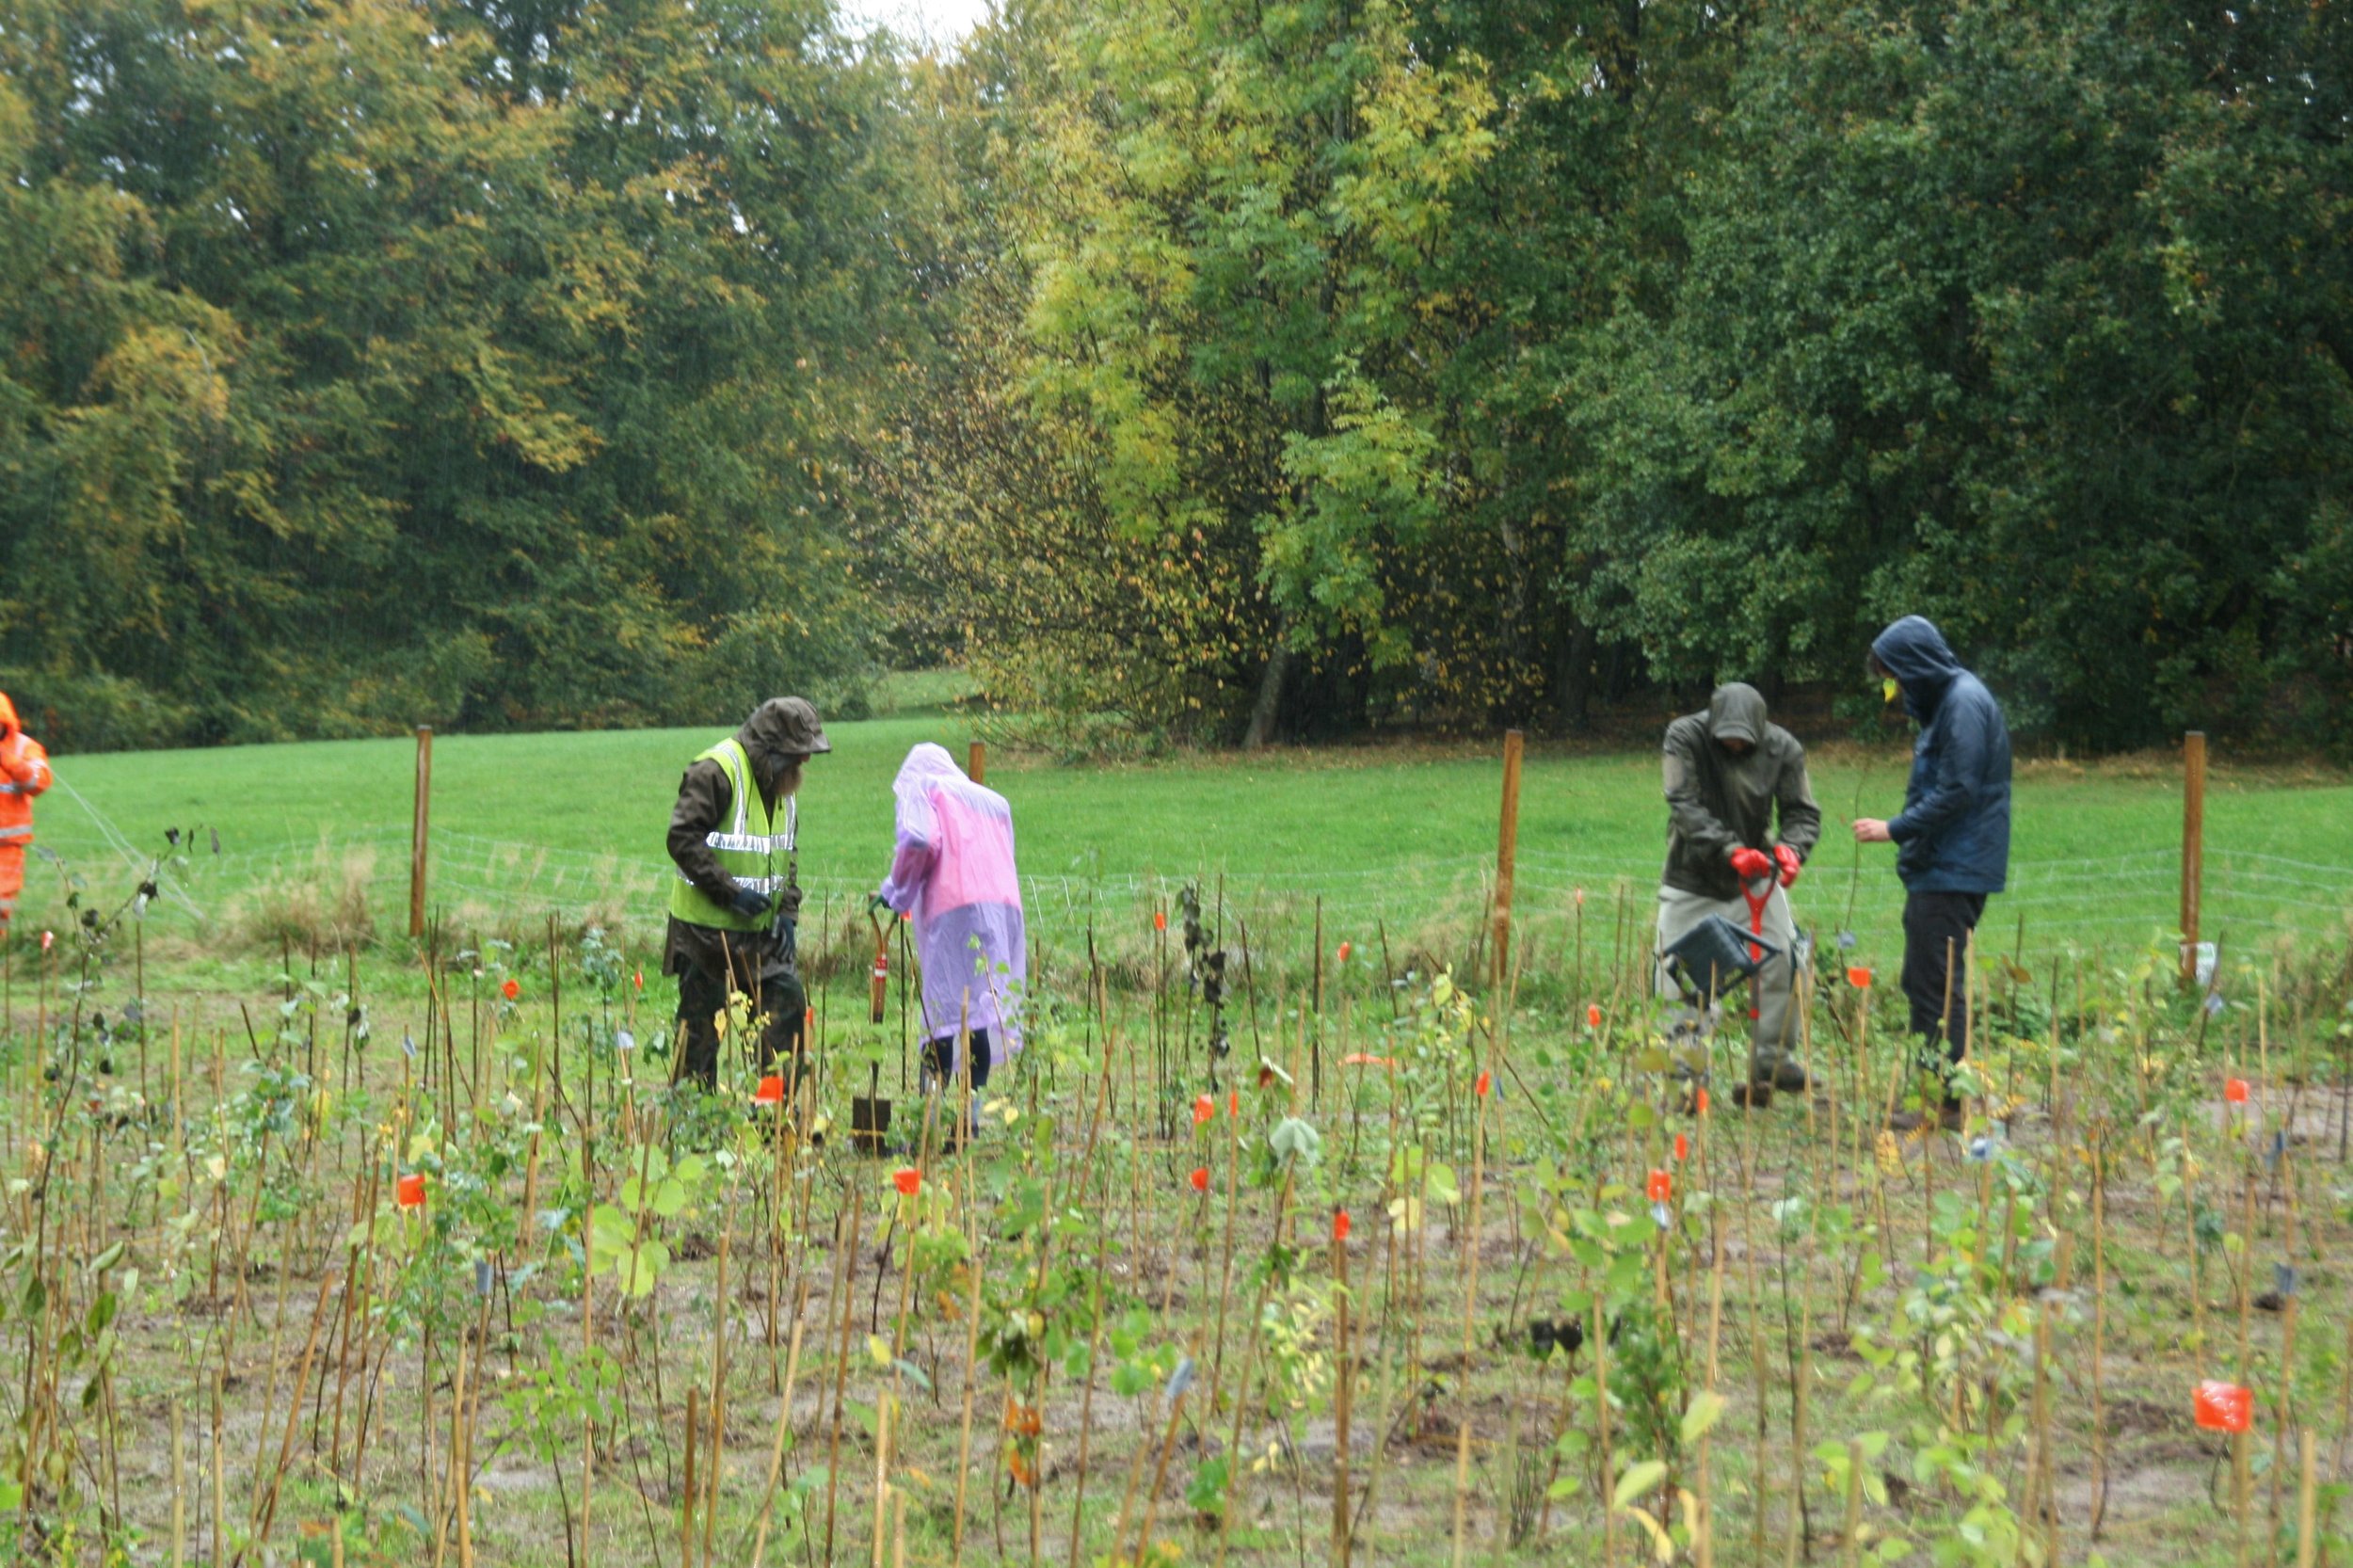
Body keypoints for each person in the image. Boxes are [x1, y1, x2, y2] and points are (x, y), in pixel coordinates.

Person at [1851, 616, 2012, 1132]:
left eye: (1894, 676)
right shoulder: (1948, 702)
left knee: (1937, 986)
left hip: (1954, 869)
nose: (1892, 690)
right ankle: (1939, 1094)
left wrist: (1893, 828)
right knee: (1926, 980)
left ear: (1915, 666)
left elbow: (1959, 790)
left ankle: (1943, 1102)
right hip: (1942, 866)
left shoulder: (1963, 703)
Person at [1656, 682, 1821, 1107]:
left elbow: (1802, 812)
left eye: (1742, 740)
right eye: (1725, 737)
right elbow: (1683, 803)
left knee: (1785, 959)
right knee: (1682, 975)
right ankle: (1685, 1080)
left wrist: (1791, 849)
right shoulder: (1684, 736)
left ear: (1760, 731)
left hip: (1756, 877)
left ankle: (1772, 1060)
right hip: (1693, 877)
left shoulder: (1784, 748)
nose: (1733, 744)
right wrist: (1730, 850)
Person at [664, 697, 828, 1091]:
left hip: (762, 936)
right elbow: (682, 839)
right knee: (700, 1041)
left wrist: (788, 911)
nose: (806, 761)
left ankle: (775, 1122)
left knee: (785, 1016)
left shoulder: (783, 785)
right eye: (799, 752)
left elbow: (785, 853)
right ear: (770, 747)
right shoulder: (716, 770)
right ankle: (694, 1128)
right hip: (705, 936)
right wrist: (730, 892)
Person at [871, 744, 1026, 1121]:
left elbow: (918, 840)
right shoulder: (992, 801)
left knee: (941, 1007)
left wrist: (895, 892)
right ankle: (969, 1117)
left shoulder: (922, 787)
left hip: (955, 909)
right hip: (1002, 908)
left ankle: (934, 1119)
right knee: (979, 1011)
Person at [0, 695, 52, 944]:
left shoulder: (25, 747)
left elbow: (39, 782)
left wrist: (9, 762)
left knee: (1, 905)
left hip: (8, 848)